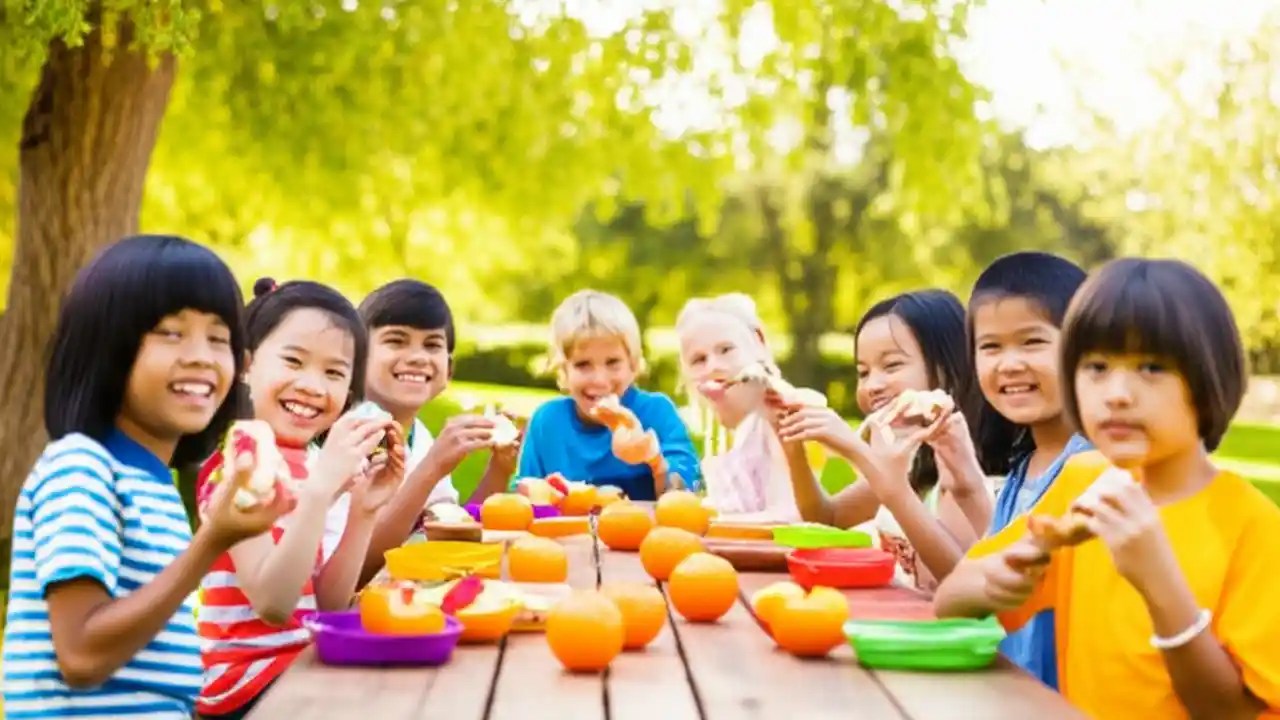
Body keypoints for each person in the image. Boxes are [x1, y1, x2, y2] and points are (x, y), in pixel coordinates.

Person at [933, 258, 1280, 719]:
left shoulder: (1252, 529)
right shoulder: (1084, 484)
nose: (1116, 392)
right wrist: (996, 581)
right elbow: (948, 601)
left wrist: (1160, 584)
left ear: (1209, 379)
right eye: (1096, 367)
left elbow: (1232, 713)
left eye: (1151, 367)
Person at [2, 235, 284, 719]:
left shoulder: (153, 484)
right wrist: (212, 540)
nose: (202, 356)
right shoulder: (81, 468)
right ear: (106, 348)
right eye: (171, 332)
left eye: (219, 338)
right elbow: (82, 655)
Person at [195, 279, 402, 719]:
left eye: (334, 372)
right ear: (247, 365)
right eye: (293, 361)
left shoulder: (307, 464)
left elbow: (322, 607)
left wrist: (364, 511)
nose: (312, 385)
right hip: (241, 691)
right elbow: (273, 604)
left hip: (295, 670)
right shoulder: (238, 464)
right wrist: (320, 491)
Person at [777, 290, 991, 590]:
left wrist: (855, 448)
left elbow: (959, 582)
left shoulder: (963, 469)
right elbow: (828, 517)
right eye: (863, 372)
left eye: (891, 366)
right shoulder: (912, 456)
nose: (872, 385)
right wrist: (793, 446)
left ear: (947, 366)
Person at [963, 250, 1090, 687]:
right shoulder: (1023, 470)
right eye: (990, 346)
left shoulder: (1093, 468)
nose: (1009, 363)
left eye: (1032, 341)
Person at [352, 279, 519, 583]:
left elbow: (453, 530)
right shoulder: (351, 438)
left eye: (432, 345)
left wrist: (499, 469)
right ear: (356, 357)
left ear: (449, 370)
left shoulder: (418, 434)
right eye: (396, 340)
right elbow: (357, 569)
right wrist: (432, 467)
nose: (418, 357)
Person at [518, 289, 700, 500]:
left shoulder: (656, 413)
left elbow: (686, 496)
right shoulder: (547, 421)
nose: (600, 380)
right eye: (583, 364)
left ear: (633, 365)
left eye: (613, 362)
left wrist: (654, 460)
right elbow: (523, 499)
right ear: (564, 371)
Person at [675, 293, 802, 521]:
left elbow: (788, 515)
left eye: (725, 350)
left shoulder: (778, 411)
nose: (713, 367)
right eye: (699, 360)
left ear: (759, 342)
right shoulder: (718, 426)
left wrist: (706, 522)